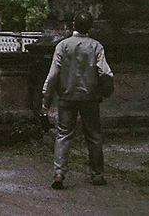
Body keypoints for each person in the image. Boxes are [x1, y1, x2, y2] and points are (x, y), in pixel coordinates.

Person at [42, 10, 113, 190]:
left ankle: (59, 172)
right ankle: (97, 174)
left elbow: (53, 75)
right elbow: (105, 72)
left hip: (67, 95)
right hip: (89, 97)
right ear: (90, 26)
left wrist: (46, 99)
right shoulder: (96, 47)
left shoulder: (63, 46)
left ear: (73, 24)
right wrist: (106, 90)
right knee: (94, 136)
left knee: (63, 135)